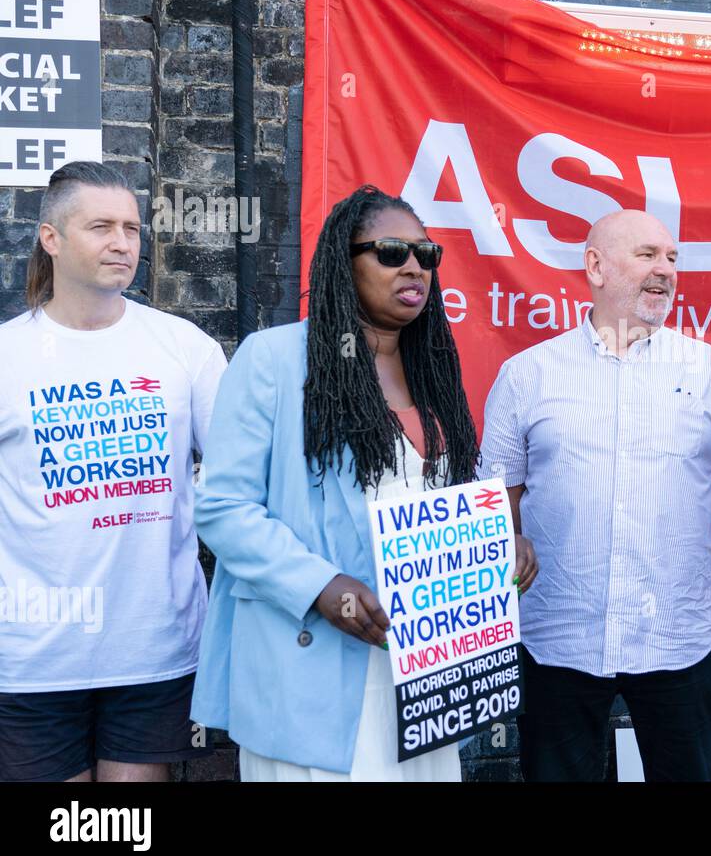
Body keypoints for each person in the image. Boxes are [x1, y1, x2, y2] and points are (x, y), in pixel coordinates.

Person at [190, 185, 536, 781]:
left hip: (426, 672)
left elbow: (434, 506)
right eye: (392, 252)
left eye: (427, 255)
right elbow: (223, 509)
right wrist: (322, 586)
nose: (414, 267)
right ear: (340, 264)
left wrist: (495, 540)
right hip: (315, 656)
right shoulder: (274, 360)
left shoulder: (432, 372)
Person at [479, 209, 711, 782]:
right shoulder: (526, 374)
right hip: (558, 636)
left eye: (672, 258)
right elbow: (498, 492)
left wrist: (674, 547)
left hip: (675, 635)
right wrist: (511, 538)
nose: (665, 270)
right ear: (596, 266)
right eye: (647, 255)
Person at [0, 161, 227, 782]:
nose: (123, 242)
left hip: (153, 644)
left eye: (132, 227)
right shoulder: (9, 357)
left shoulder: (184, 348)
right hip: (31, 655)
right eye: (101, 226)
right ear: (51, 238)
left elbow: (242, 479)